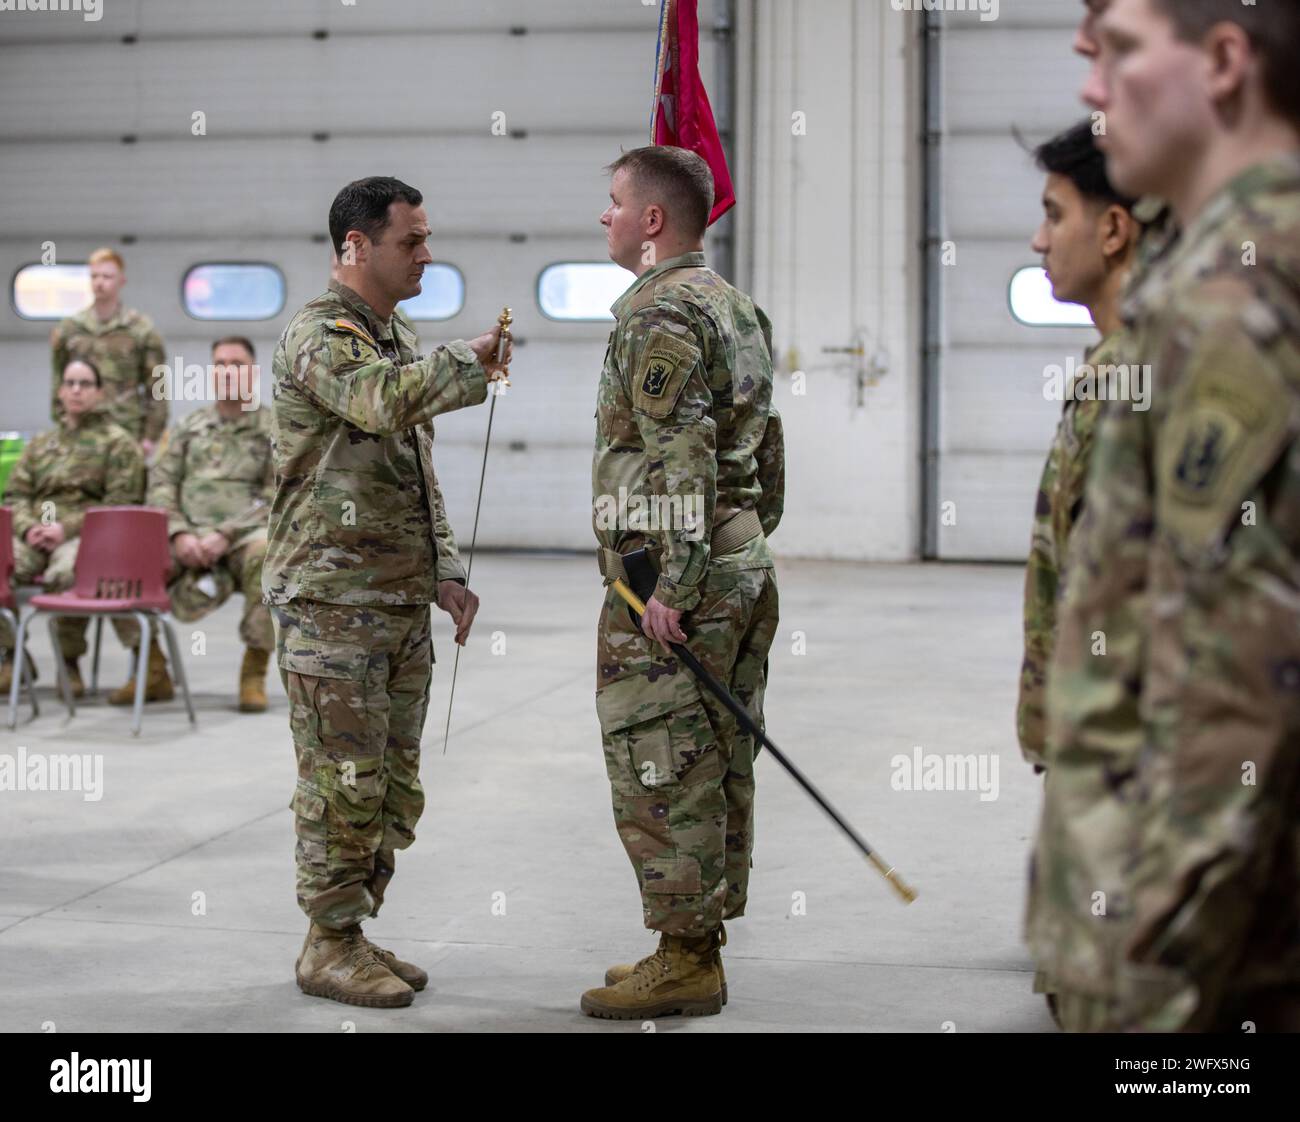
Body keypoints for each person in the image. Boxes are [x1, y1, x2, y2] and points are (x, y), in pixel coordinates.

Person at [1040, 0, 1300, 1031]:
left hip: (1209, 958)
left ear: (1225, 62)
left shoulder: (1232, 297)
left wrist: (1142, 990)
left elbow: (1229, 685)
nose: (1092, 89)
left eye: (1121, 53)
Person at [264, 175, 509, 1008]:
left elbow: (416, 465)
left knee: (393, 784)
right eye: (412, 242)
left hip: (396, 601)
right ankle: (326, 943)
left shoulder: (394, 333)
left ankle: (353, 929)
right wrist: (466, 360)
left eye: (427, 239)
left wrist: (445, 568)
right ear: (355, 247)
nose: (427, 256)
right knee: (342, 784)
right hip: (333, 606)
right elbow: (376, 405)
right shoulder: (319, 336)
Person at [581, 146, 784, 1020]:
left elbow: (682, 458)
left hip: (675, 575)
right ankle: (691, 939)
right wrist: (743, 546)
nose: (607, 216)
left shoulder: (655, 314)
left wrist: (673, 584)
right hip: (738, 557)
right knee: (719, 752)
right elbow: (766, 448)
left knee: (663, 760)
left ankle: (689, 957)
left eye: (616, 201)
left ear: (652, 221)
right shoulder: (737, 307)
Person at [1018, 119, 1141, 774]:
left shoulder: (1138, 384)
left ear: (1114, 230)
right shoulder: (1112, 370)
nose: (1039, 240)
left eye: (1054, 216)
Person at [143, 336, 273, 711]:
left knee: (267, 556)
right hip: (186, 535)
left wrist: (225, 534)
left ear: (253, 372)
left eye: (237, 364)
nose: (228, 372)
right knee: (131, 565)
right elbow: (162, 484)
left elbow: (278, 494)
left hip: (242, 537)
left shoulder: (274, 427)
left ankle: (253, 673)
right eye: (220, 364)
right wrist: (180, 532)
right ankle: (151, 670)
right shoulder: (187, 427)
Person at [0, 359, 144, 694]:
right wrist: (27, 528)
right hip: (35, 532)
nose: (76, 390)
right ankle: (10, 655)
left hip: (86, 536)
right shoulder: (41, 444)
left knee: (64, 574)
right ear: (61, 391)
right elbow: (15, 494)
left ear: (100, 392)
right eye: (70, 383)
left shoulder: (117, 443)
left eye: (85, 384)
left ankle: (69, 663)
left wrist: (64, 528)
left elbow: (120, 503)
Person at [50, 247, 167, 458]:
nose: (99, 282)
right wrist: (62, 423)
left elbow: (157, 388)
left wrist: (150, 438)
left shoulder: (140, 330)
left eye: (107, 276)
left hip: (126, 430)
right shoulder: (70, 329)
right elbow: (59, 381)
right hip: (80, 430)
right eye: (94, 276)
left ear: (121, 281)